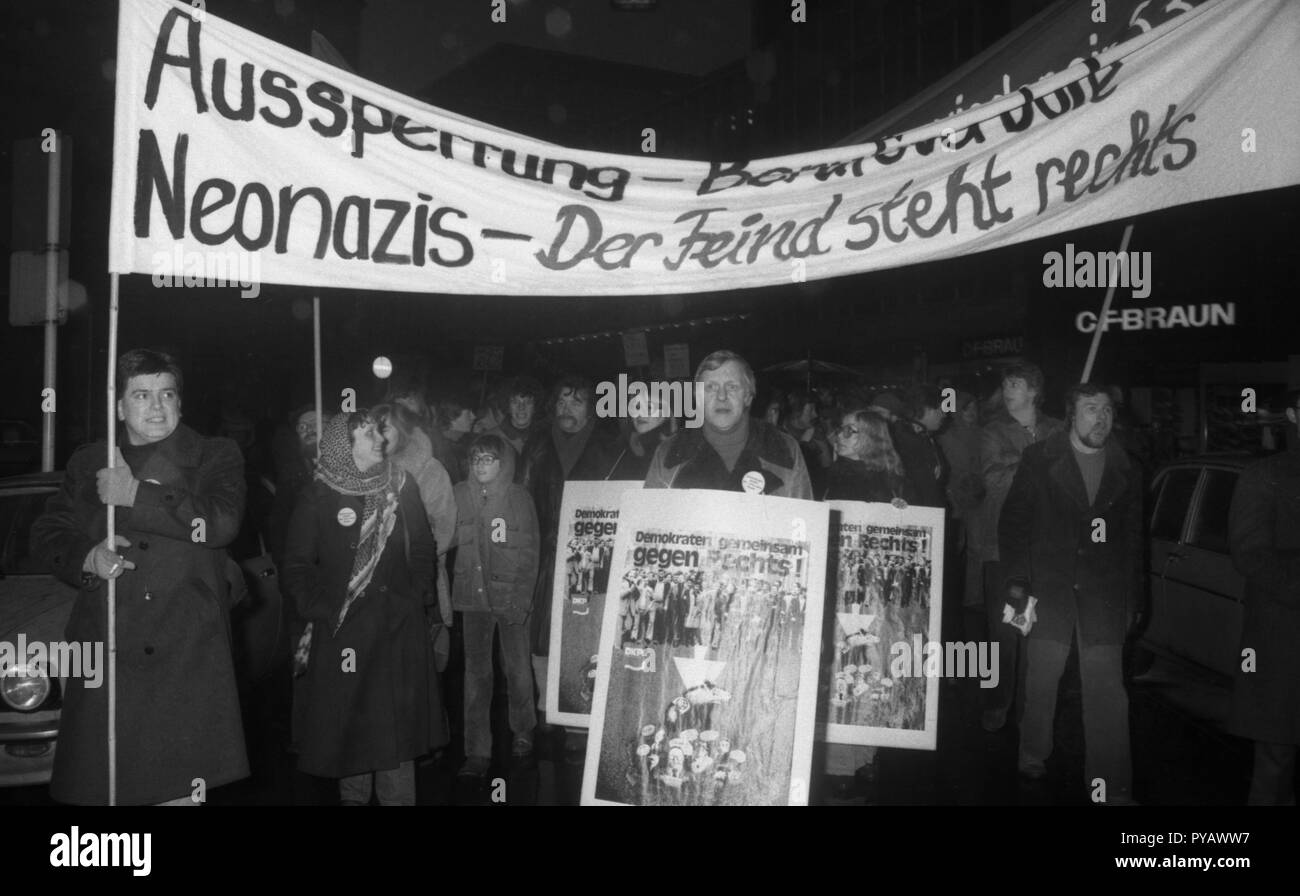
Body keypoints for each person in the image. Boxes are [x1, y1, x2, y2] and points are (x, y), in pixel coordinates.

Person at [32, 348, 248, 805]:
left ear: (180, 403)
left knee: (177, 791)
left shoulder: (214, 455)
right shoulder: (90, 460)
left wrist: (135, 495)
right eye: (142, 395)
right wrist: (86, 557)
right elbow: (48, 532)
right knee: (109, 795)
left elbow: (220, 522)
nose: (156, 407)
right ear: (119, 406)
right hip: (109, 652)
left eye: (166, 394)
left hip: (185, 653)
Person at [282, 410, 447, 805]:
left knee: (396, 737)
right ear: (345, 445)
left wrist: (417, 593)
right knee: (352, 737)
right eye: (367, 434)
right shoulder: (318, 495)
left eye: (378, 431)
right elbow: (296, 566)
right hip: (345, 635)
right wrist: (324, 609)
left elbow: (423, 547)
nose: (379, 439)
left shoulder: (400, 485)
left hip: (397, 632)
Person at [999, 384, 1141, 804]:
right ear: (1070, 416)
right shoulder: (1040, 459)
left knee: (1108, 691)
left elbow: (1134, 542)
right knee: (1043, 677)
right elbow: (1014, 525)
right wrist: (1018, 588)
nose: (1102, 418)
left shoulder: (1127, 466)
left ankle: (1111, 788)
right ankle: (1032, 751)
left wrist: (1134, 602)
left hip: (1103, 592)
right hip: (1049, 585)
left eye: (1108, 410)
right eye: (1091, 409)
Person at [975, 363, 1063, 733]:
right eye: (1005, 383)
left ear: (1033, 391)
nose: (1007, 389)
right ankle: (997, 702)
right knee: (1004, 630)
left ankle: (1033, 706)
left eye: (1016, 384)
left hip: (1046, 548)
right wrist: (1034, 461)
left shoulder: (1058, 429)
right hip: (1003, 548)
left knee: (1039, 631)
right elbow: (994, 480)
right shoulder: (993, 432)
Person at [1227, 389, 1300, 805]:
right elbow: (1250, 553)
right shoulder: (1265, 475)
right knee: (1276, 756)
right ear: (1292, 415)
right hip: (1282, 635)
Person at [453, 434, 541, 776]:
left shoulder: (519, 497)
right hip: (473, 598)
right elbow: (441, 535)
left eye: (488, 459)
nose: (481, 465)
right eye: (476, 459)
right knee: (476, 675)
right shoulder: (460, 494)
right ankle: (476, 750)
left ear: (503, 464)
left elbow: (531, 552)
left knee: (517, 669)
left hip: (509, 598)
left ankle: (523, 731)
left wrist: (522, 600)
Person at [644, 350, 813, 498]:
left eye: (732, 387)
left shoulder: (786, 449)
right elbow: (647, 526)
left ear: (748, 396)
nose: (722, 396)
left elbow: (804, 528)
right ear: (698, 397)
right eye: (711, 387)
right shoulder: (668, 453)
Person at [375, 402, 457, 674]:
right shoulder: (366, 470)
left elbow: (443, 531)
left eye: (384, 427)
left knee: (422, 681)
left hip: (417, 588)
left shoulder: (430, 470)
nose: (378, 434)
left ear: (402, 430)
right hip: (375, 594)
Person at [823, 410, 916, 504]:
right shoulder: (838, 470)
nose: (839, 435)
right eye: (841, 429)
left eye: (849, 430)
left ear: (871, 437)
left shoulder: (888, 481)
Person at [607, 393, 680, 481]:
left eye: (649, 407)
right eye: (636, 407)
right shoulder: (619, 449)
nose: (640, 413)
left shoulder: (672, 452)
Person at [499, 376, 545, 456]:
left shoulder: (545, 440)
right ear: (507, 405)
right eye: (515, 402)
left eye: (528, 402)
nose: (521, 407)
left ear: (535, 406)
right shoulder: (493, 437)